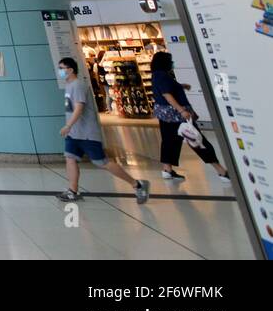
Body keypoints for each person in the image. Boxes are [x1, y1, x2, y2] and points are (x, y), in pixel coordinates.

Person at [56, 57, 150, 204]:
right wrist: (70, 127)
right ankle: (72, 191)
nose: (60, 71)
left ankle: (137, 184)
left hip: (87, 133)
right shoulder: (69, 86)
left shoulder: (78, 85)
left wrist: (68, 125)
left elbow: (79, 107)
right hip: (74, 133)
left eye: (62, 68)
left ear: (71, 69)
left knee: (102, 162)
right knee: (70, 158)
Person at [150, 52, 229, 183]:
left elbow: (165, 90)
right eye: (170, 61)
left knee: (169, 141)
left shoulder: (157, 75)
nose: (172, 63)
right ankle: (221, 171)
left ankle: (167, 170)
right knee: (197, 140)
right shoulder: (163, 76)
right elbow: (167, 95)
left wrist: (181, 86)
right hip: (176, 115)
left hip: (165, 115)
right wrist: (181, 111)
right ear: (164, 62)